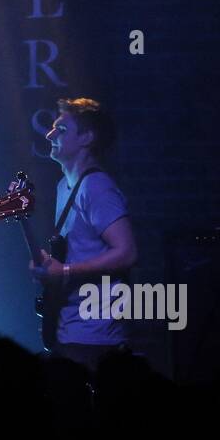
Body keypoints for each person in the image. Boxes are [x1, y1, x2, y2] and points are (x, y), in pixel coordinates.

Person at [28, 97, 138, 372]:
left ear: (87, 137)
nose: (50, 134)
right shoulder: (64, 185)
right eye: (52, 128)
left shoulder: (97, 187)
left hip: (95, 334)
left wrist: (64, 272)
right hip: (70, 328)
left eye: (61, 130)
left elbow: (127, 252)